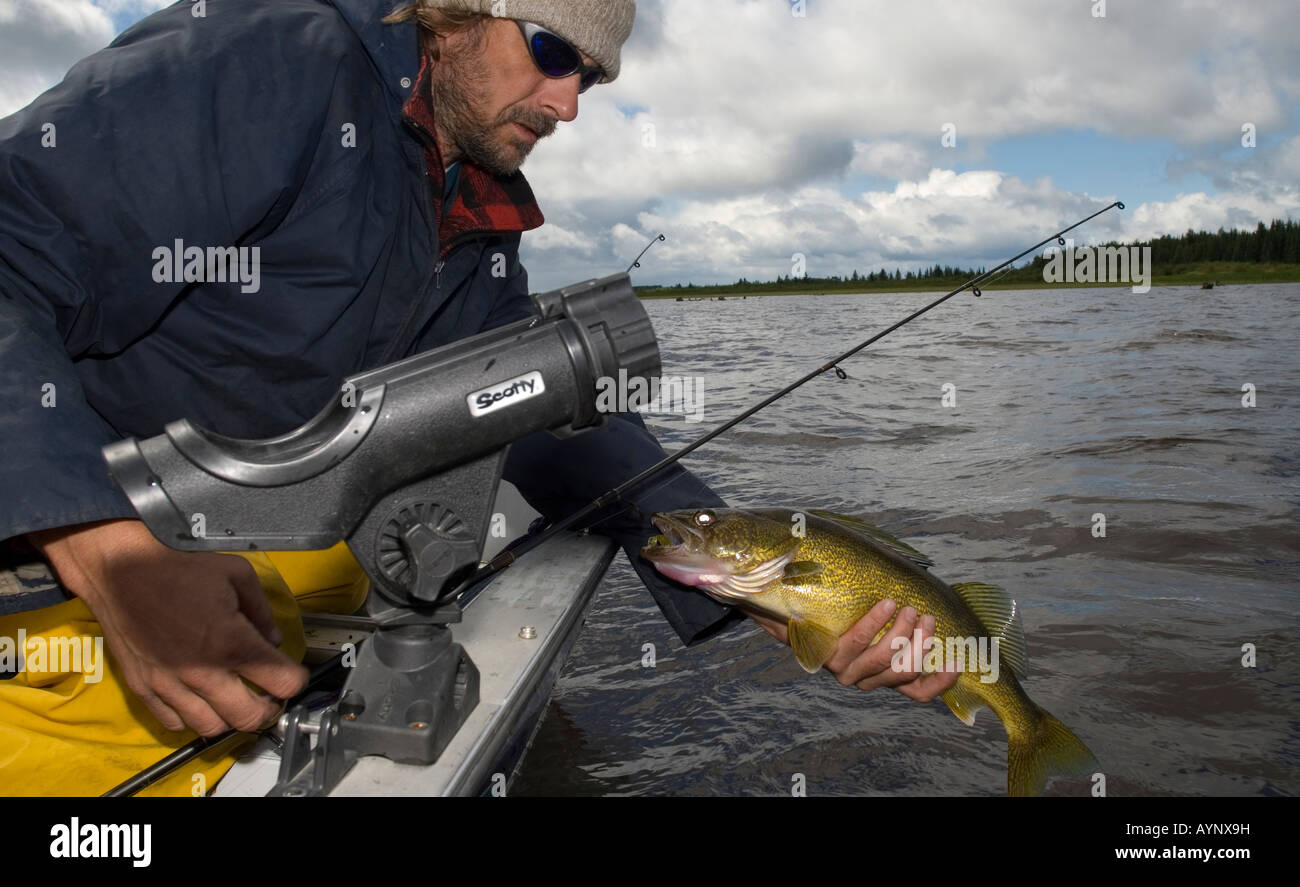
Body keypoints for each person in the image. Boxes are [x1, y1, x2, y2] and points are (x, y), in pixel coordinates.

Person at [0, 0, 955, 794]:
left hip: (255, 583)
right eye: (552, 53)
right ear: (455, 14)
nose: (571, 103)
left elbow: (520, 404)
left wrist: (765, 585)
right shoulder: (277, 58)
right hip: (59, 588)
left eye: (592, 76)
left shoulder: (473, 206)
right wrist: (109, 551)